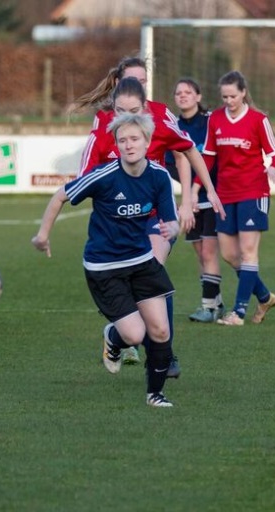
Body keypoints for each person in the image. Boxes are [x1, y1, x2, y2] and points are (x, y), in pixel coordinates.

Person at [73, 57, 224, 372]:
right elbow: (85, 177)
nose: (139, 85)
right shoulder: (105, 124)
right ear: (119, 84)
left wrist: (203, 192)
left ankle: (165, 354)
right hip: (118, 224)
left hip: (154, 216)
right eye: (133, 80)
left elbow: (186, 150)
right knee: (135, 289)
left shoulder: (159, 116)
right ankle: (121, 335)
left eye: (143, 81)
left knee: (153, 274)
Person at [32, 112, 180, 407]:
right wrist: (42, 235)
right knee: (135, 335)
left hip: (141, 261)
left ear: (148, 141)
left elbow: (171, 220)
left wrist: (172, 229)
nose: (128, 145)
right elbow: (60, 196)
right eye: (122, 140)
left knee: (161, 330)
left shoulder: (159, 176)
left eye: (134, 139)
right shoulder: (104, 175)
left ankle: (155, 394)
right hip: (104, 267)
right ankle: (113, 336)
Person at [201, 71, 275, 326]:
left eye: (233, 96)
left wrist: (273, 167)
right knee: (229, 255)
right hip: (225, 194)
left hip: (253, 192)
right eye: (224, 97)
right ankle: (265, 297)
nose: (229, 101)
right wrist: (199, 187)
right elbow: (208, 157)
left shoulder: (258, 119)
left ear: (243, 93)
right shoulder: (215, 119)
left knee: (248, 252)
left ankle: (238, 312)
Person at [165, 78, 225, 323]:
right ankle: (216, 303)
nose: (182, 95)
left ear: (198, 96)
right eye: (178, 92)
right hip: (190, 200)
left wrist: (200, 186)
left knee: (209, 251)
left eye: (188, 92)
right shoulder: (173, 126)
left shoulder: (210, 121)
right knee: (201, 253)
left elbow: (216, 158)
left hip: (214, 195)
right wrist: (188, 192)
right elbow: (171, 164)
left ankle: (208, 307)